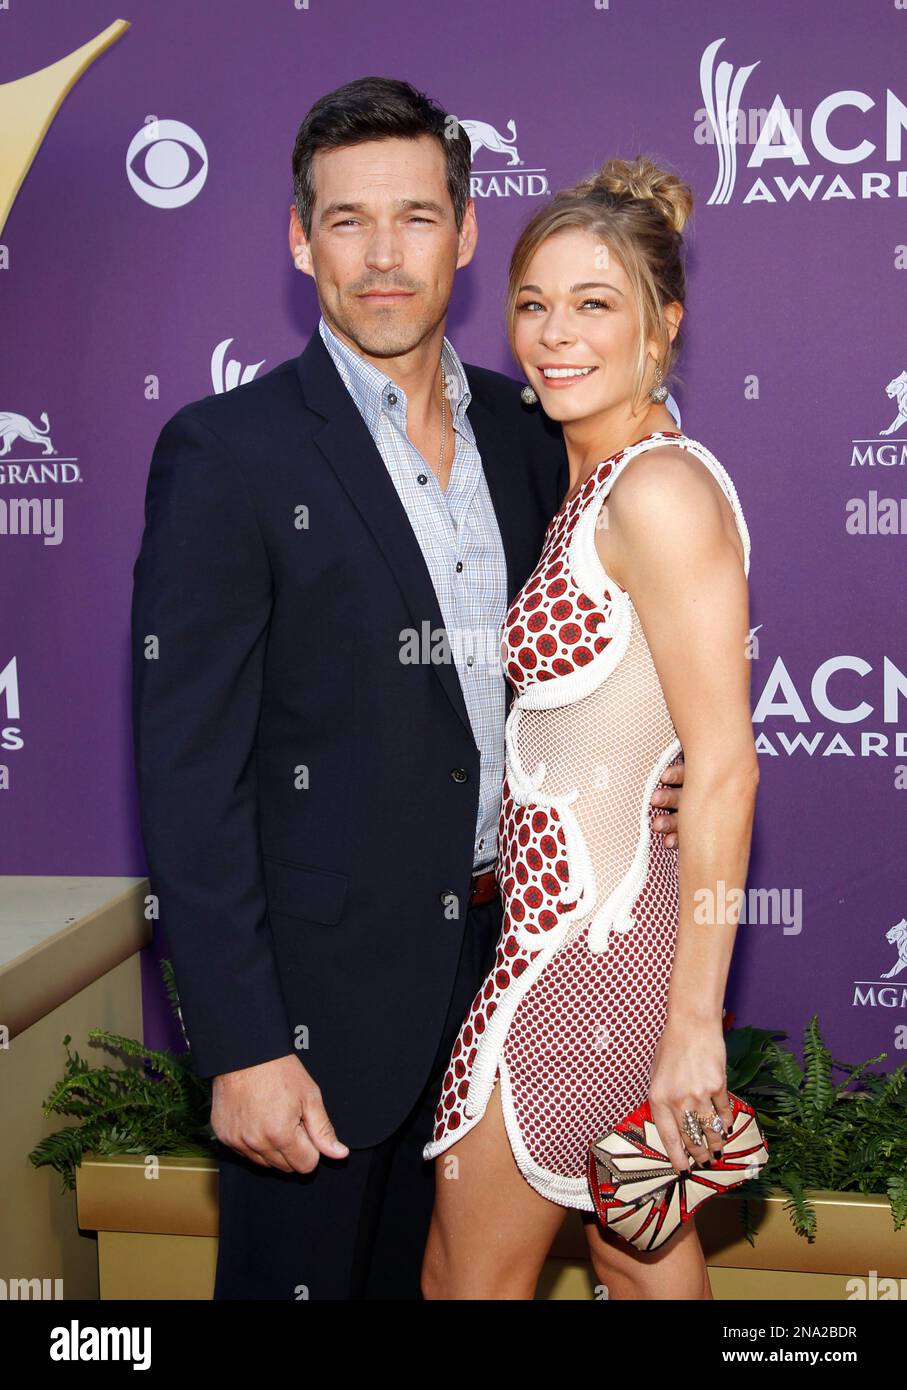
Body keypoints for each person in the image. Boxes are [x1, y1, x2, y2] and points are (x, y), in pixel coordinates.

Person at [130, 79, 684, 1301]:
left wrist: (663, 767)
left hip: (518, 977)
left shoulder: (540, 429)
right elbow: (188, 776)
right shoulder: (228, 454)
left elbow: (619, 652)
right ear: (297, 238)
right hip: (319, 1024)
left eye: (418, 217)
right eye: (347, 220)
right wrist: (243, 1043)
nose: (384, 255)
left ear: (467, 232)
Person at [421, 156, 759, 1301]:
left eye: (594, 303)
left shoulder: (655, 492)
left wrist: (695, 1027)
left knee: (463, 1283)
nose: (554, 335)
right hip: (583, 954)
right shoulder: (596, 480)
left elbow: (722, 766)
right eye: (532, 303)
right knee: (635, 1252)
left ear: (665, 322)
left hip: (586, 976)